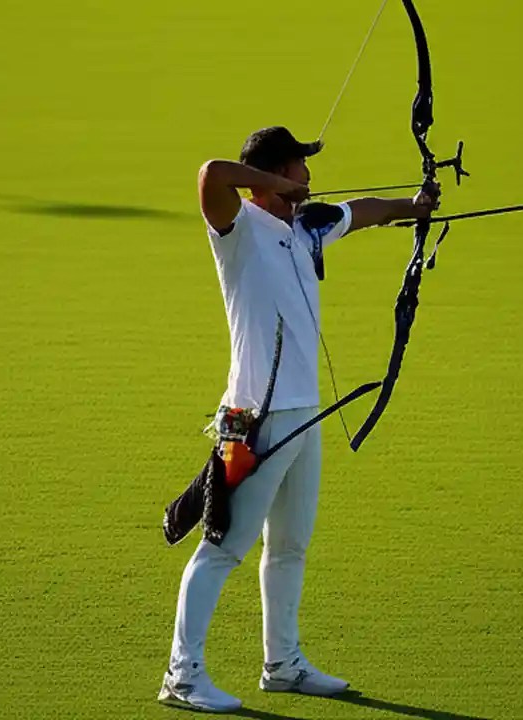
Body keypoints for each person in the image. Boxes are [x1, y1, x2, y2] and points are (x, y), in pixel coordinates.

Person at [159, 126, 439, 713]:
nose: (309, 180)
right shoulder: (237, 229)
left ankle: (282, 664)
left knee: (289, 546)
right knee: (224, 547)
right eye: (299, 169)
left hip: (305, 411)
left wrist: (412, 207)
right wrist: (275, 186)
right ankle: (182, 675)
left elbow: (359, 212)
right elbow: (212, 172)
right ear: (273, 175)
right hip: (258, 414)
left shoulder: (307, 227)